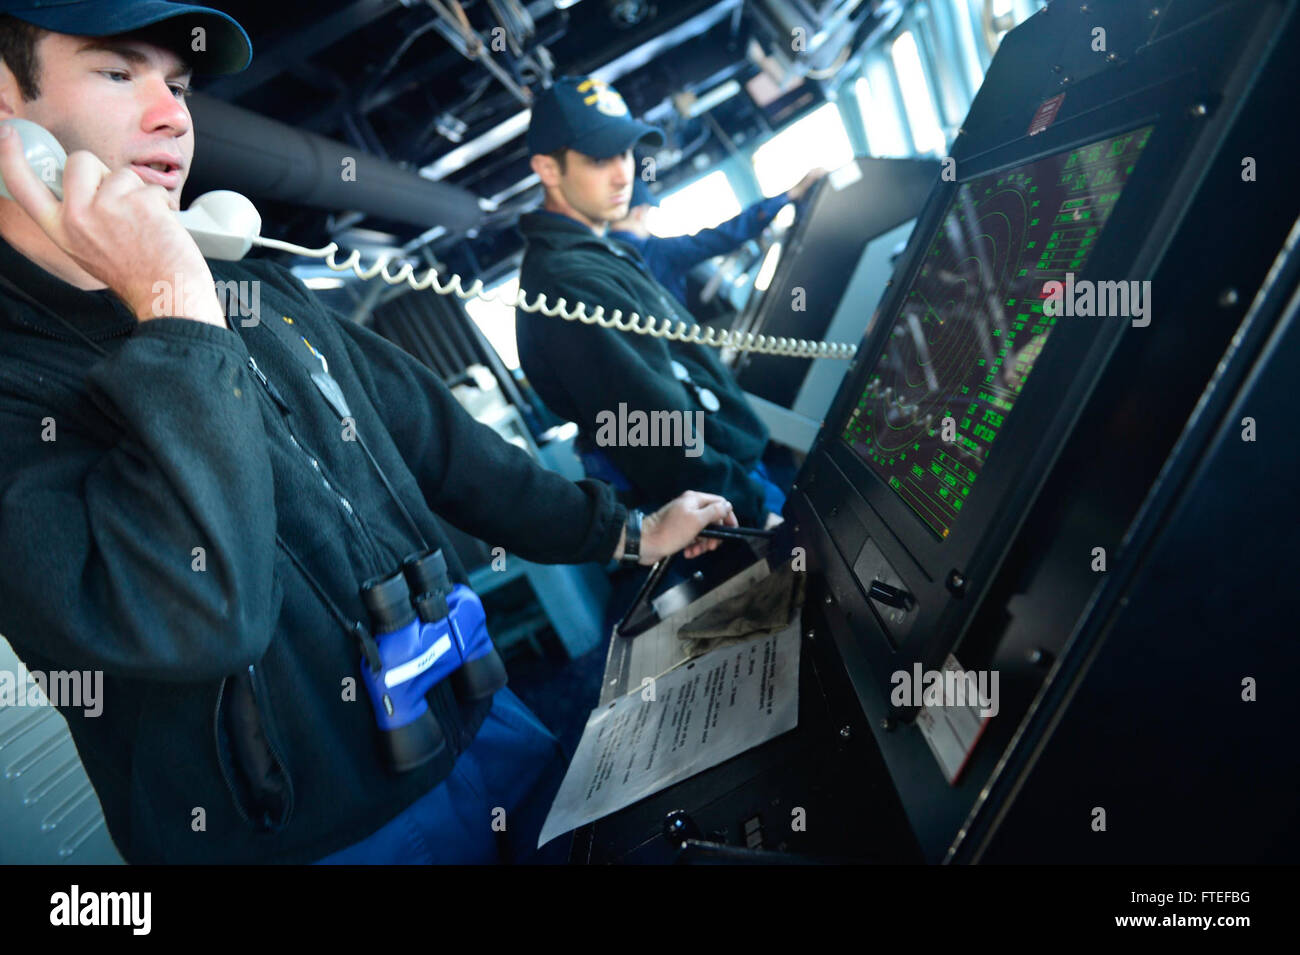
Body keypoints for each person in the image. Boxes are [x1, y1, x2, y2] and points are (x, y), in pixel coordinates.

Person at [0, 1, 736, 865]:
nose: (173, 114)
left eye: (179, 85)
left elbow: (448, 446)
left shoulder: (262, 294)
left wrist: (625, 530)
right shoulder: (23, 386)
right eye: (119, 72)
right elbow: (197, 617)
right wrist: (171, 308)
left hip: (486, 728)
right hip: (331, 843)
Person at [515, 76, 785, 533]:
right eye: (600, 158)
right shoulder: (568, 279)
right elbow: (645, 422)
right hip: (719, 503)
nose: (624, 173)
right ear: (548, 169)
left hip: (726, 481)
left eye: (625, 153)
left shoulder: (599, 253)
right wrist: (751, 511)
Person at [608, 168, 826, 309]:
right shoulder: (655, 251)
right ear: (639, 212)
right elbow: (723, 236)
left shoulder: (602, 253)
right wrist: (789, 195)